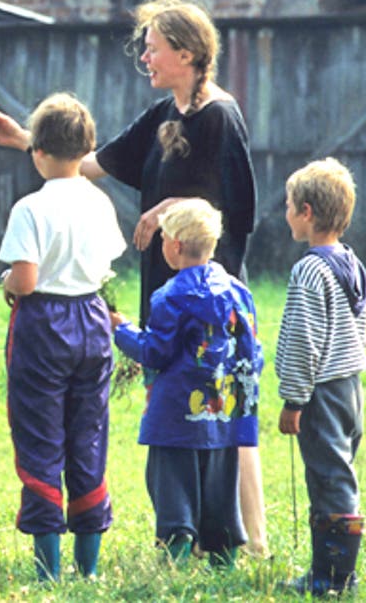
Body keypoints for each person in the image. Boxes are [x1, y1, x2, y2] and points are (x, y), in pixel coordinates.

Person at [0, 0, 267, 557]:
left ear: (186, 52)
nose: (146, 59)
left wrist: (170, 207)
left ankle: (248, 538)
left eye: (154, 49)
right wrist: (28, 143)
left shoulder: (220, 115)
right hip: (166, 288)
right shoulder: (164, 116)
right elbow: (93, 165)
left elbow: (239, 210)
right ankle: (187, 531)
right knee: (175, 410)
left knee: (221, 411)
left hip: (209, 301)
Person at [0, 92, 126, 582]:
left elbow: (25, 280)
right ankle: (88, 568)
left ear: (38, 152)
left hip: (43, 324)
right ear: (86, 147)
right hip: (92, 319)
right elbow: (105, 263)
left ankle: (48, 569)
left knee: (40, 438)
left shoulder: (30, 207)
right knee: (87, 435)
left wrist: (7, 282)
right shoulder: (100, 201)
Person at [110, 198, 262, 569]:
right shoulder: (238, 293)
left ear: (174, 245)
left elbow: (155, 353)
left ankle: (175, 558)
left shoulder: (169, 297)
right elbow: (252, 352)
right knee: (220, 491)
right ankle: (225, 561)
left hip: (175, 418)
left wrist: (121, 330)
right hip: (223, 415)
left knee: (171, 487)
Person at [276, 158, 366, 597]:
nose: (285, 211)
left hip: (323, 392)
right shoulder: (351, 261)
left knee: (330, 481)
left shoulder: (308, 270)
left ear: (307, 212)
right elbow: (357, 329)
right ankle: (329, 573)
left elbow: (303, 342)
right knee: (336, 474)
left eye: (289, 204)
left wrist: (294, 401)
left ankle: (333, 580)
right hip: (351, 387)